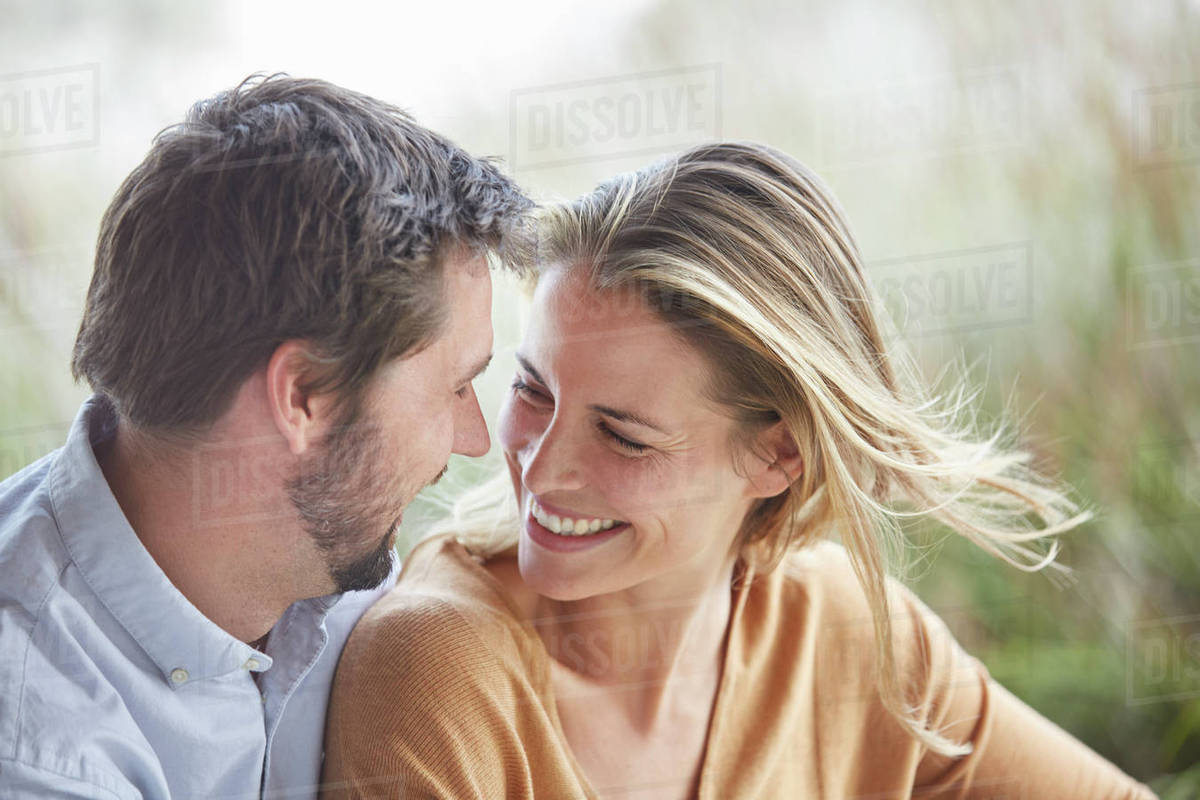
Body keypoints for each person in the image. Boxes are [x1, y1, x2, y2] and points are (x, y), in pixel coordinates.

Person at [321, 142, 1158, 799]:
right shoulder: (436, 670)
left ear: (779, 454)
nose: (540, 468)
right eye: (533, 389)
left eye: (623, 436)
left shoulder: (836, 629)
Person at [0, 74, 530, 798]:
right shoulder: (39, 745)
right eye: (455, 386)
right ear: (304, 396)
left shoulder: (327, 546)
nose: (474, 439)